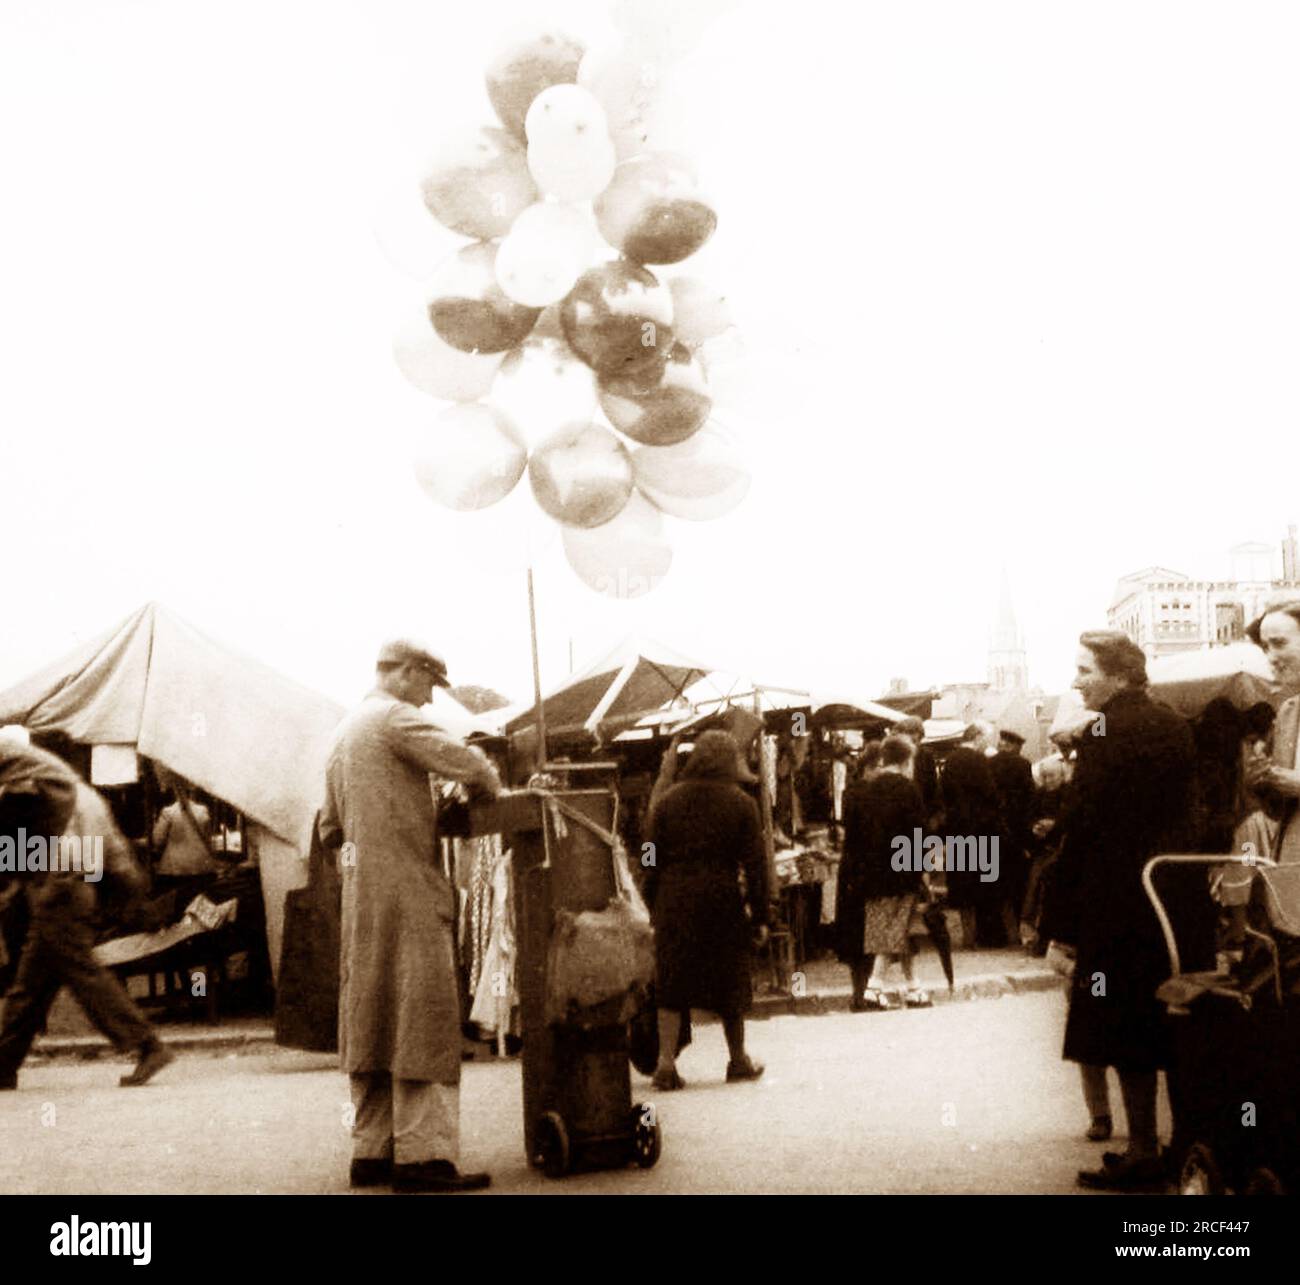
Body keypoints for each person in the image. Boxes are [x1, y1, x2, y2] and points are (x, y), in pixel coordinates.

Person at [319, 639, 503, 1193]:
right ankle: (423, 1158)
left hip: (362, 898)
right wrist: (487, 784)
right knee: (420, 1014)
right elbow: (466, 760)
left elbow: (330, 827)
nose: (428, 699)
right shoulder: (393, 717)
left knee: (371, 1016)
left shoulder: (344, 730)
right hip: (408, 894)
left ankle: (371, 1151)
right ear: (404, 672)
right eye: (427, 683)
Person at [1043, 630, 1214, 1189]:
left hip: (1118, 901)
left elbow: (1083, 826)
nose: (1076, 680)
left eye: (1085, 670)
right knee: (1178, 1021)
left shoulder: (1104, 733)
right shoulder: (1172, 724)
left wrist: (1059, 924)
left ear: (1117, 674)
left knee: (1121, 1027)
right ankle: (1187, 1145)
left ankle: (1143, 1148)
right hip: (1174, 896)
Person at [1, 738, 173, 1090]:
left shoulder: (39, 787)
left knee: (82, 975)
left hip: (61, 889)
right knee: (31, 985)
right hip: (69, 885)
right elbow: (112, 856)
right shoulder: (76, 792)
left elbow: (15, 823)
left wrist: (12, 879)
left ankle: (147, 1044)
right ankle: (3, 1063)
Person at [644, 730, 769, 1091]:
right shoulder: (742, 804)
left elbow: (649, 855)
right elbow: (756, 865)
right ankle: (738, 1059)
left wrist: (651, 902)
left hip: (674, 899)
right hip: (721, 898)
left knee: (671, 981)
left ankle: (666, 1064)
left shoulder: (667, 802)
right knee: (730, 978)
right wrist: (761, 915)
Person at [836, 734, 929, 1011]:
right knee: (895, 931)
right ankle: (874, 988)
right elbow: (917, 835)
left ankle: (914, 987)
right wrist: (919, 872)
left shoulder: (868, 790)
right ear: (906, 760)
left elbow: (857, 836)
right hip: (901, 871)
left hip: (871, 873)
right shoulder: (908, 789)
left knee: (894, 931)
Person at [938, 723, 1007, 946]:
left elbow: (945, 795)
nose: (987, 743)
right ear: (977, 737)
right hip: (981, 830)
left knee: (962, 885)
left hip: (957, 829)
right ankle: (985, 936)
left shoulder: (951, 760)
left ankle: (967, 936)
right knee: (984, 885)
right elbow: (991, 794)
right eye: (986, 738)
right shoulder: (978, 761)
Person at [1246, 600, 1300, 863]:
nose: (1270, 657)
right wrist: (1264, 786)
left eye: (1279, 644)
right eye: (1265, 647)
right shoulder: (1288, 712)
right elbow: (1280, 811)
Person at [990, 727, 1035, 943]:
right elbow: (1029, 800)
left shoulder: (988, 764)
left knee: (995, 883)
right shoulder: (1023, 764)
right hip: (1016, 833)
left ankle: (997, 933)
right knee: (1018, 883)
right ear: (1015, 746)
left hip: (993, 831)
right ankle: (1016, 931)